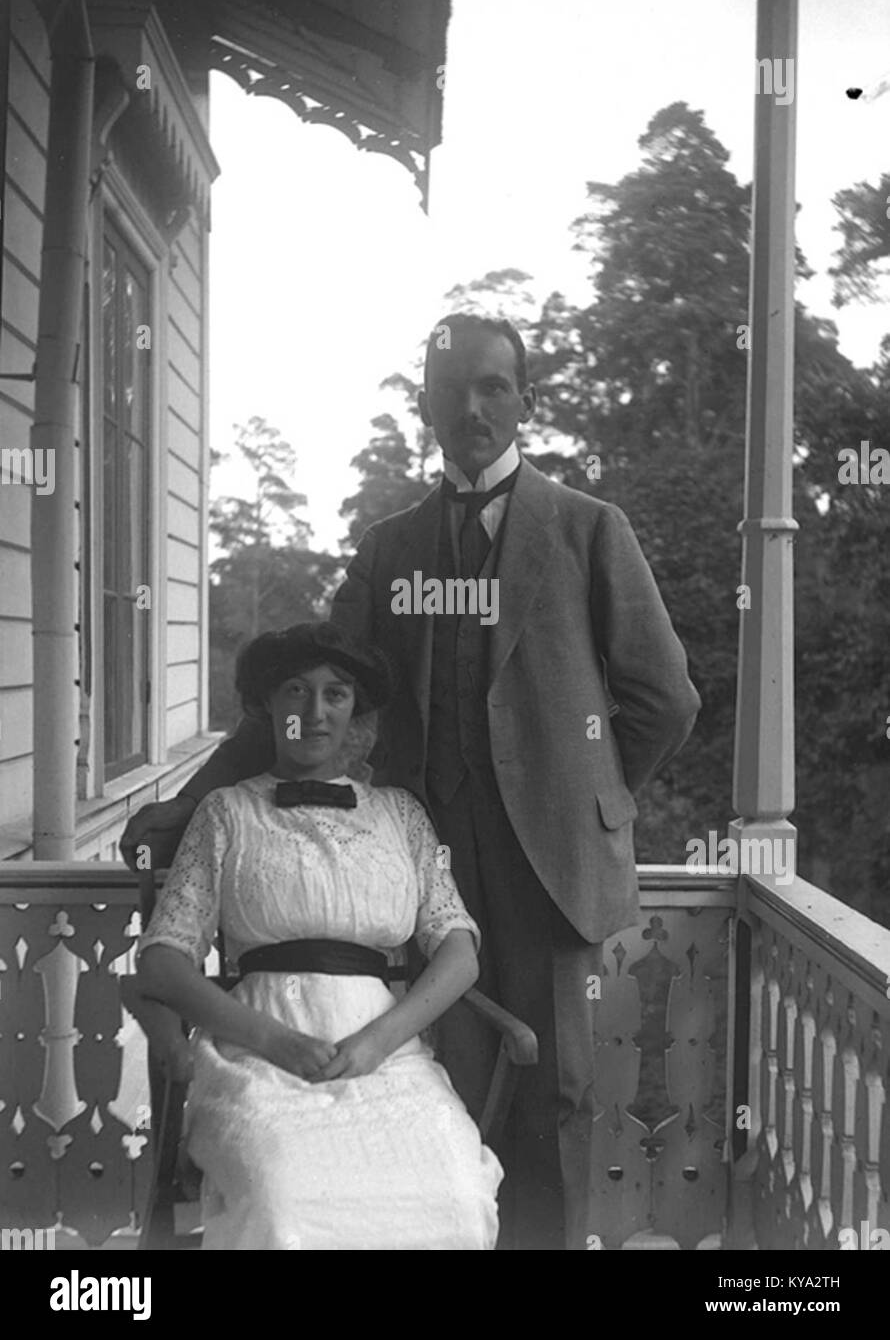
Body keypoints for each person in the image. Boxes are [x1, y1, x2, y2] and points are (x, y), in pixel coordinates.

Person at [122, 312, 701, 1251]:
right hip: (426, 860)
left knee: (552, 1098)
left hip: (550, 874)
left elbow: (664, 699)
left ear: (524, 400)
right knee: (451, 1091)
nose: (471, 407)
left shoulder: (591, 531)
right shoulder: (393, 549)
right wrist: (192, 802)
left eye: (493, 387)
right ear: (425, 404)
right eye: (451, 389)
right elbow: (291, 701)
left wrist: (592, 803)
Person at [135, 621, 502, 1250]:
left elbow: (458, 951)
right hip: (257, 1051)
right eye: (296, 691)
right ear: (268, 708)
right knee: (286, 1201)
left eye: (335, 694)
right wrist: (276, 1041)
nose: (314, 711)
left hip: (388, 1059)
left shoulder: (402, 815)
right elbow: (164, 963)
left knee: (456, 1197)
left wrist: (376, 1043)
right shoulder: (225, 812)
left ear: (356, 711)